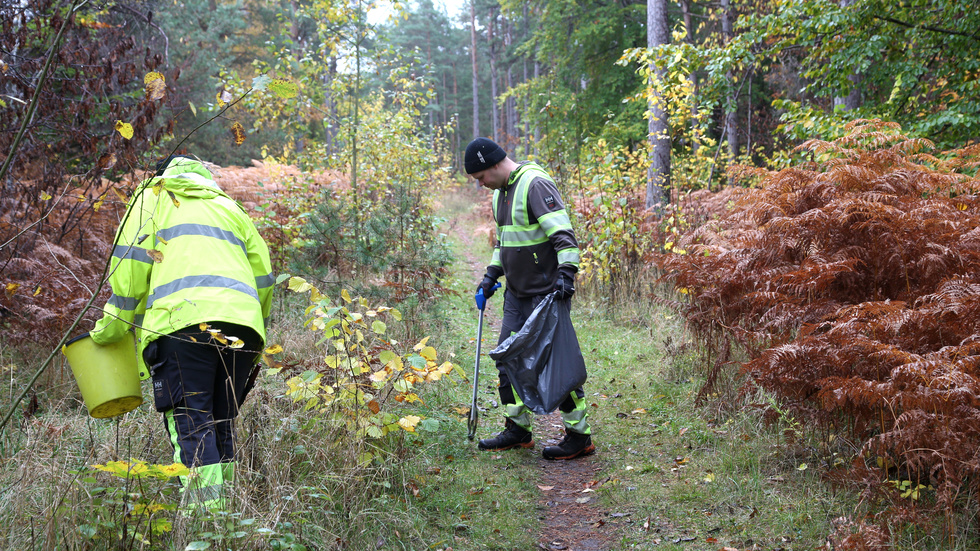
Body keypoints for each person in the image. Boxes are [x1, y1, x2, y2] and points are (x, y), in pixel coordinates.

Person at [90, 155, 274, 511]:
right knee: (221, 423)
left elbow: (129, 272)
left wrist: (109, 330)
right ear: (205, 176)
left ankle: (206, 523)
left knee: (192, 423)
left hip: (180, 329)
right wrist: (253, 331)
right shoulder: (229, 207)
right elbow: (264, 279)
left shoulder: (151, 197)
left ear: (161, 175)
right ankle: (231, 523)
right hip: (242, 332)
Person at [465, 137, 595, 460]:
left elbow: (564, 235)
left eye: (481, 177)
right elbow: (505, 244)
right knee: (507, 358)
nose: (482, 185)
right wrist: (491, 275)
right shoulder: (500, 195)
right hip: (516, 296)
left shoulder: (534, 185)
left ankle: (579, 436)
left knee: (557, 367)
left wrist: (567, 275)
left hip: (547, 294)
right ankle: (518, 430)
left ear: (494, 164)